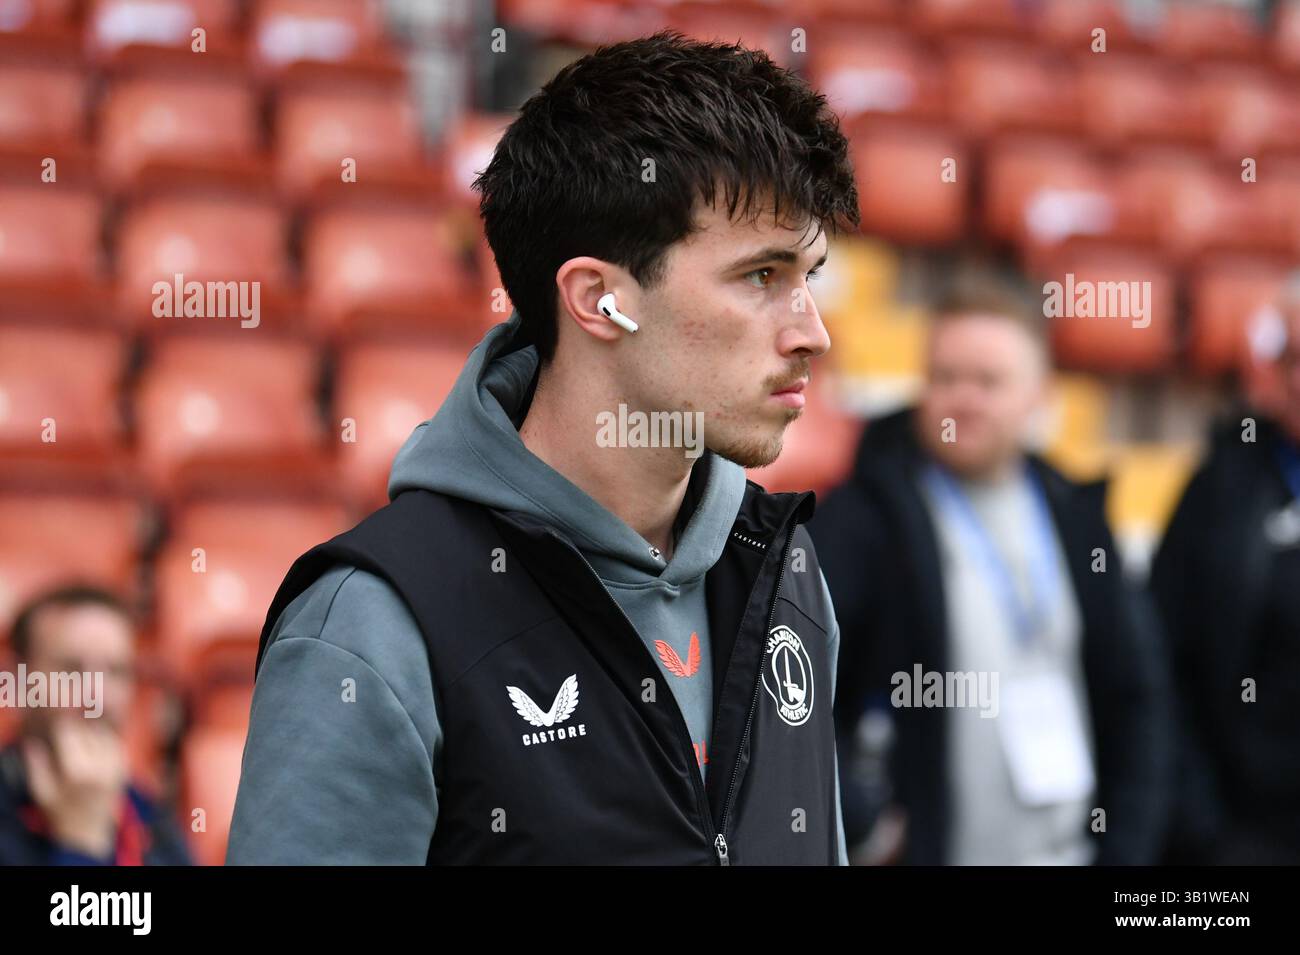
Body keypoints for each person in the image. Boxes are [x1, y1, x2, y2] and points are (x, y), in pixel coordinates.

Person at [227, 30, 861, 865]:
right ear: (600, 300)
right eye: (761, 277)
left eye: (808, 277)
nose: (812, 333)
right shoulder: (374, 624)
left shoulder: (787, 575)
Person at [810, 278, 1171, 865]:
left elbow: (1138, 696)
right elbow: (799, 689)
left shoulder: (1075, 513)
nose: (962, 399)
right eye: (945, 378)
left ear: (1039, 395)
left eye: (988, 382)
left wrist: (1126, 851)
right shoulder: (865, 518)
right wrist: (863, 819)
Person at [1151, 275, 1300, 864]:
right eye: (1292, 357)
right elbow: (1160, 659)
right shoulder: (1219, 489)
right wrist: (1202, 823)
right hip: (1242, 834)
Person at [0, 585, 192, 865]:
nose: (96, 697)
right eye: (71, 669)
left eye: (115, 671)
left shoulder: (151, 817)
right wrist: (81, 840)